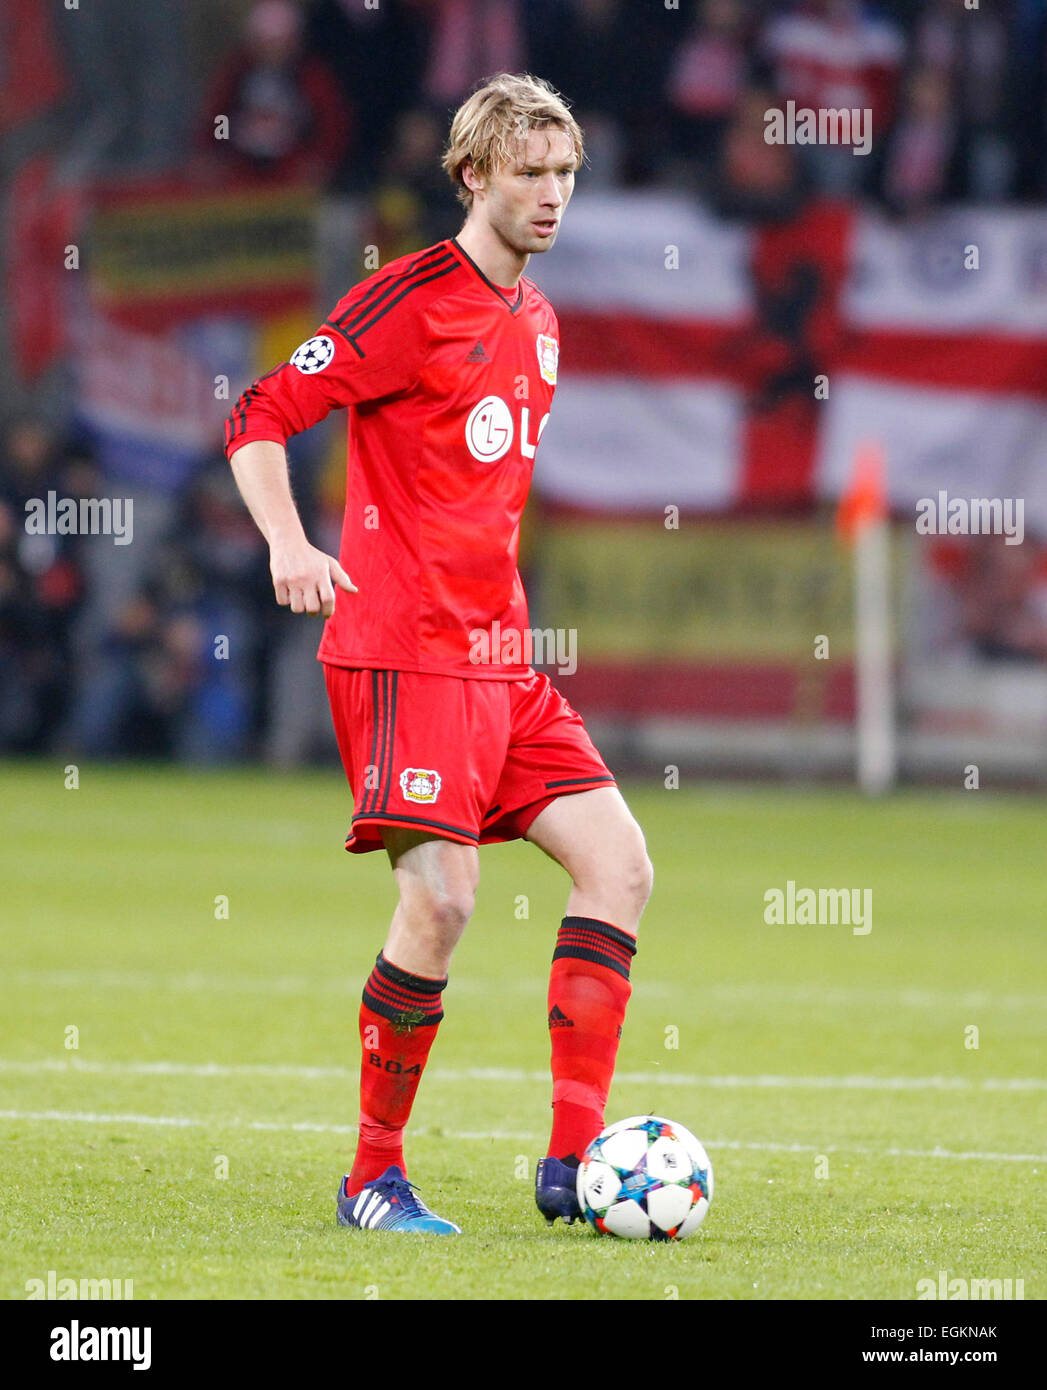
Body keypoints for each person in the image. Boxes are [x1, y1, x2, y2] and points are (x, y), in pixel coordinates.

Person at [224, 73, 652, 1234]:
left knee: (620, 863)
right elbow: (259, 413)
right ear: (474, 175)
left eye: (566, 173)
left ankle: (573, 1166)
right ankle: (371, 1175)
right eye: (531, 173)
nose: (553, 195)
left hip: (502, 658)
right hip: (403, 651)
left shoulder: (541, 322)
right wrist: (287, 541)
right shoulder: (407, 299)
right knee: (446, 899)